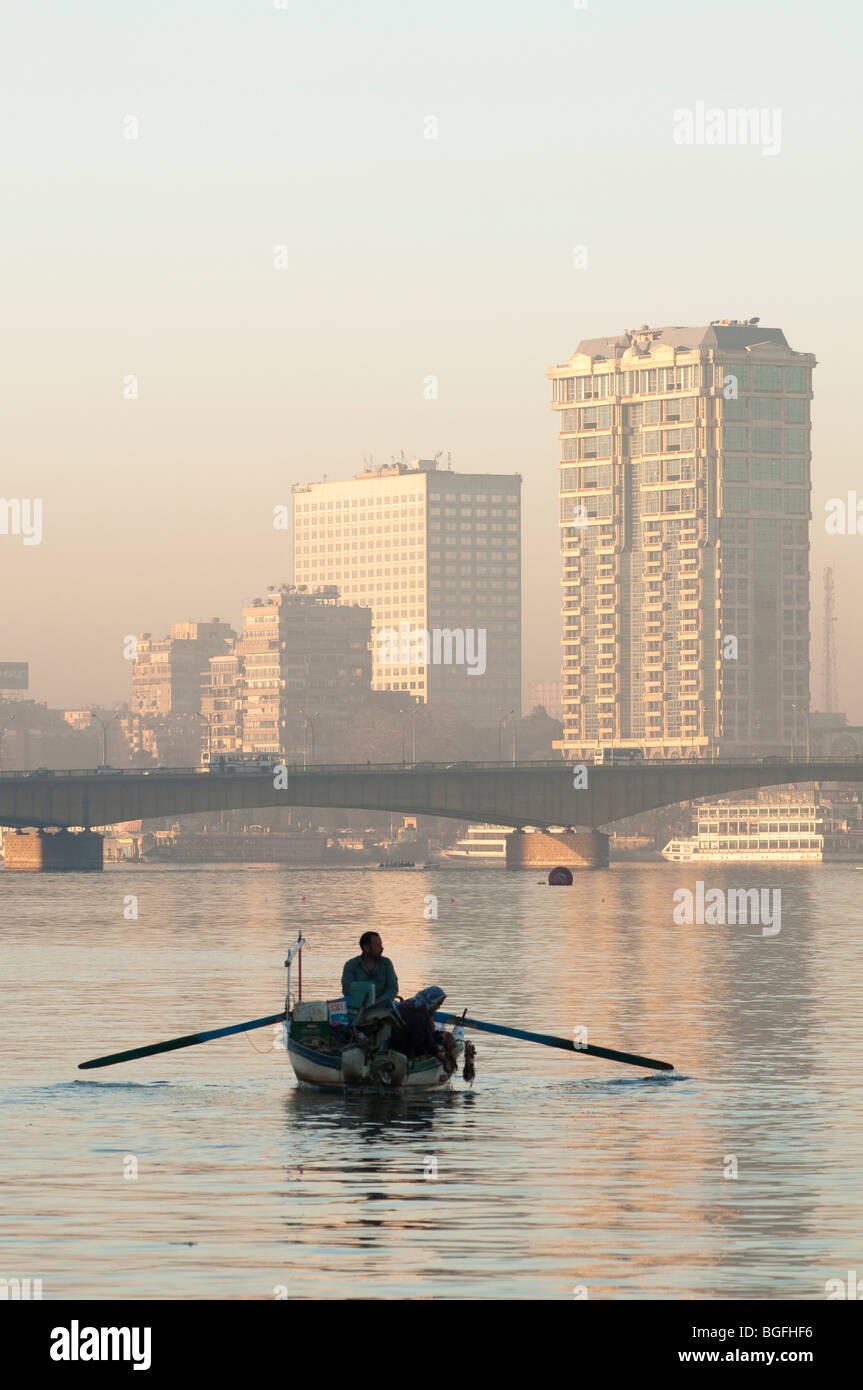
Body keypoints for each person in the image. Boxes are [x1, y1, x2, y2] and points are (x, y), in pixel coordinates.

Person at [393, 986, 454, 1074]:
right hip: (404, 1047)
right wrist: (445, 1061)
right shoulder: (421, 1013)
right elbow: (429, 1043)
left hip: (394, 1042)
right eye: (438, 1004)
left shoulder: (410, 1002)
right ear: (432, 1001)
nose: (438, 1007)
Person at [341, 931, 398, 1007]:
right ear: (366, 948)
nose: (382, 948)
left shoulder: (386, 963)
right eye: (377, 946)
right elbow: (347, 990)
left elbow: (392, 989)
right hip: (357, 1006)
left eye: (381, 945)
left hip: (383, 1006)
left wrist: (377, 1002)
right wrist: (365, 1003)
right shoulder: (351, 965)